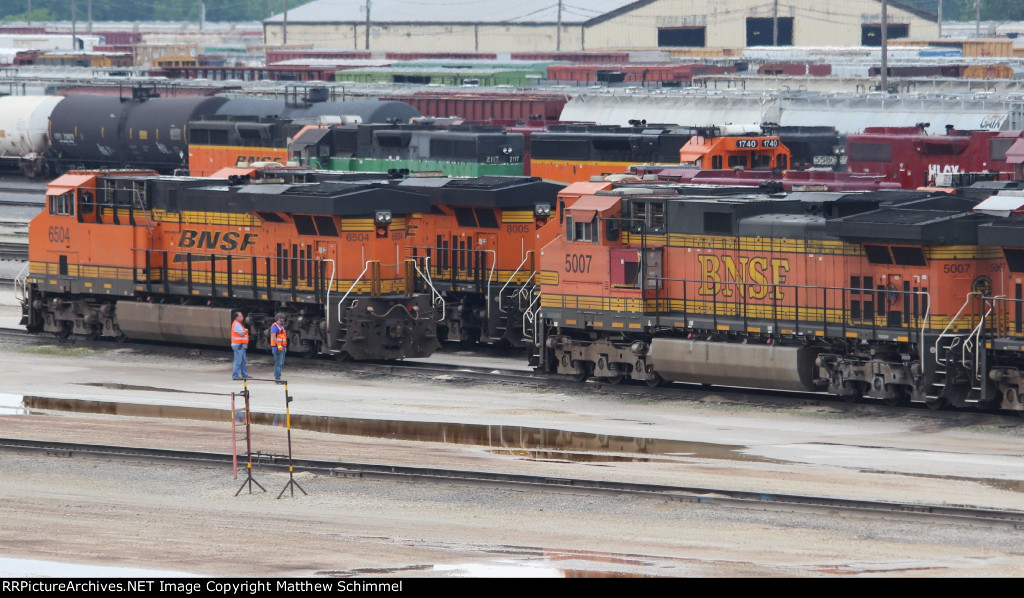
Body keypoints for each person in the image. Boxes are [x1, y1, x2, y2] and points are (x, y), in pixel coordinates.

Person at [230, 312, 250, 380]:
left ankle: (244, 375)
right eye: (240, 316)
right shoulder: (237, 324)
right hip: (238, 345)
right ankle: (235, 376)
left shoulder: (239, 324)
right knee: (238, 361)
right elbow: (242, 333)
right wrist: (246, 330)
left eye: (242, 316)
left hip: (241, 345)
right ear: (236, 317)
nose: (242, 317)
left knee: (242, 361)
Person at [270, 313, 287, 384]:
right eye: (282, 318)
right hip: (277, 348)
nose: (283, 319)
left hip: (281, 347)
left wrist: (284, 347)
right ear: (278, 318)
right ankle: (277, 379)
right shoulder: (275, 326)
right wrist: (278, 344)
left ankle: (278, 378)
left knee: (281, 363)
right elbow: (273, 336)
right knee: (278, 363)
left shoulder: (281, 327)